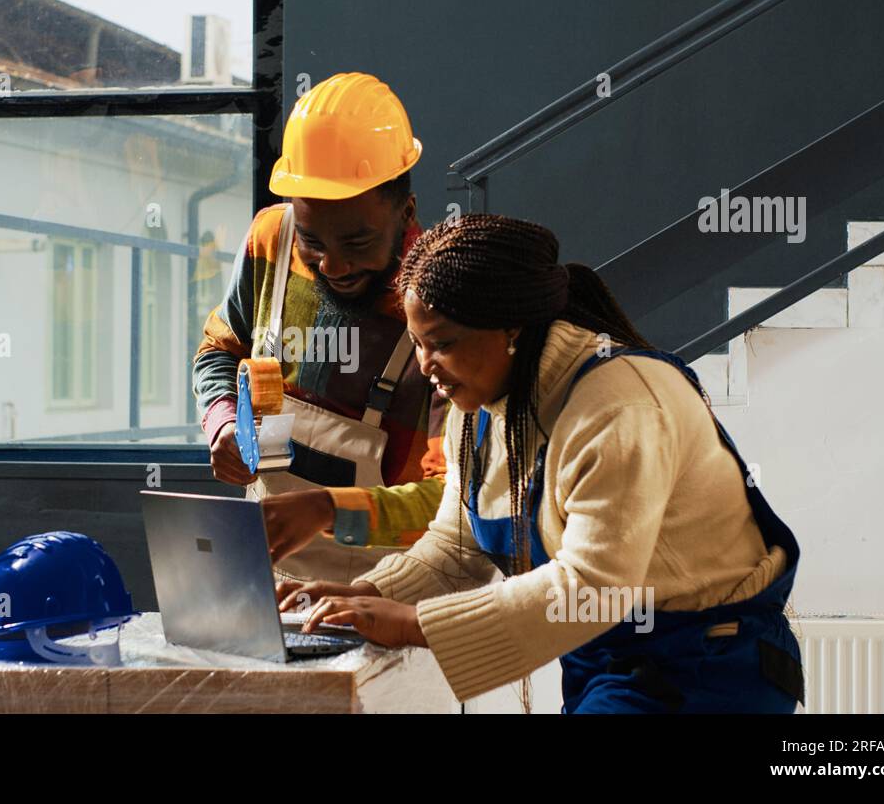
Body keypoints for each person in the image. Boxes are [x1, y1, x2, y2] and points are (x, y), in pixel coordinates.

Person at [281, 214, 803, 713]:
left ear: (510, 329)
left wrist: (412, 622)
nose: (424, 367)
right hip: (610, 660)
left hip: (710, 669)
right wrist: (362, 597)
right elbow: (454, 547)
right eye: (416, 344)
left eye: (441, 343)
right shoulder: (477, 407)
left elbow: (593, 589)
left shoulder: (618, 406)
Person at [193, 72, 447, 583]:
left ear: (407, 212)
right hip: (267, 578)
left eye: (356, 243)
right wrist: (221, 420)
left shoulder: (443, 299)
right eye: (313, 241)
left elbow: (453, 501)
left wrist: (328, 509)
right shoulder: (272, 238)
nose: (331, 265)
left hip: (390, 589)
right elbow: (219, 350)